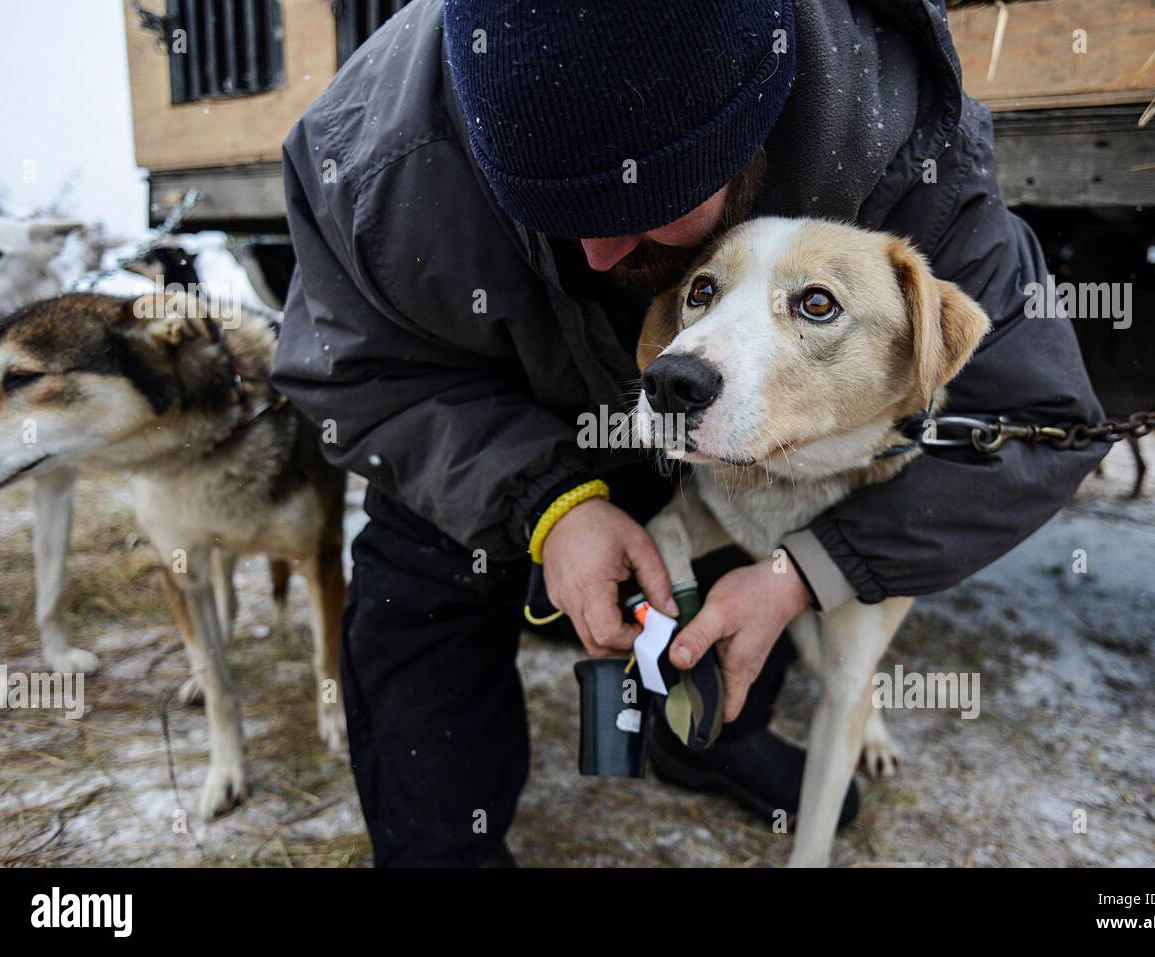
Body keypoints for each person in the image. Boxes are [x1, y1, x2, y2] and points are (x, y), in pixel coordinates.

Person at [273, 0, 1107, 866]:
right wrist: (548, 502)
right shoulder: (372, 162)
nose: (599, 256)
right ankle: (442, 849)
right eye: (557, 210)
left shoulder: (902, 142)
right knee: (420, 570)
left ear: (751, 124)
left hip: (691, 434)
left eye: (641, 205)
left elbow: (1038, 423)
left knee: (755, 522)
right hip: (493, 410)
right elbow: (358, 373)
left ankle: (704, 737)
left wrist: (801, 576)